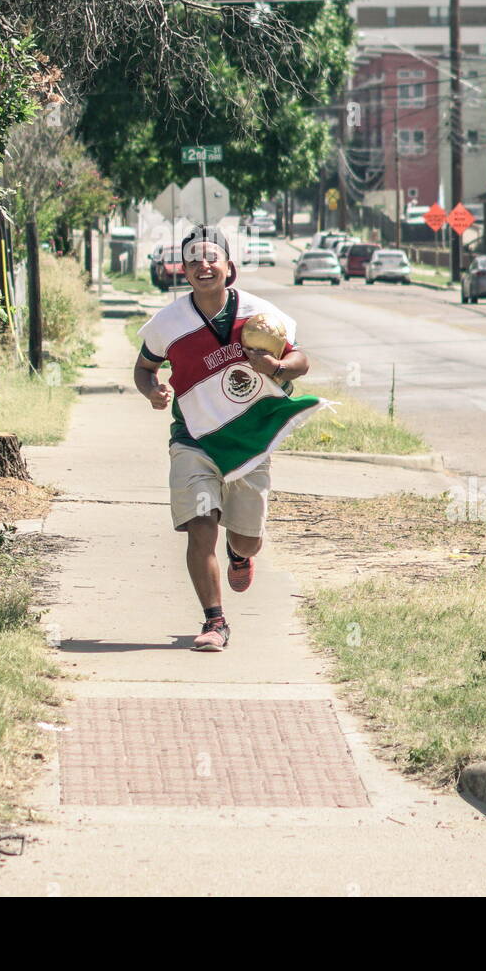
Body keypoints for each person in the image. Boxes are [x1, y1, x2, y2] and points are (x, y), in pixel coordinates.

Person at [133, 224, 318, 652]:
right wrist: (153, 391)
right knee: (201, 527)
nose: (203, 264)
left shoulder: (259, 315)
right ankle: (215, 621)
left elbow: (301, 360)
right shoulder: (168, 324)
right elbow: (144, 368)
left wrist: (274, 367)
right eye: (194, 258)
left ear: (229, 266)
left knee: (247, 538)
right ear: (184, 270)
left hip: (249, 441)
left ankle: (240, 555)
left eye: (211, 257)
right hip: (193, 440)